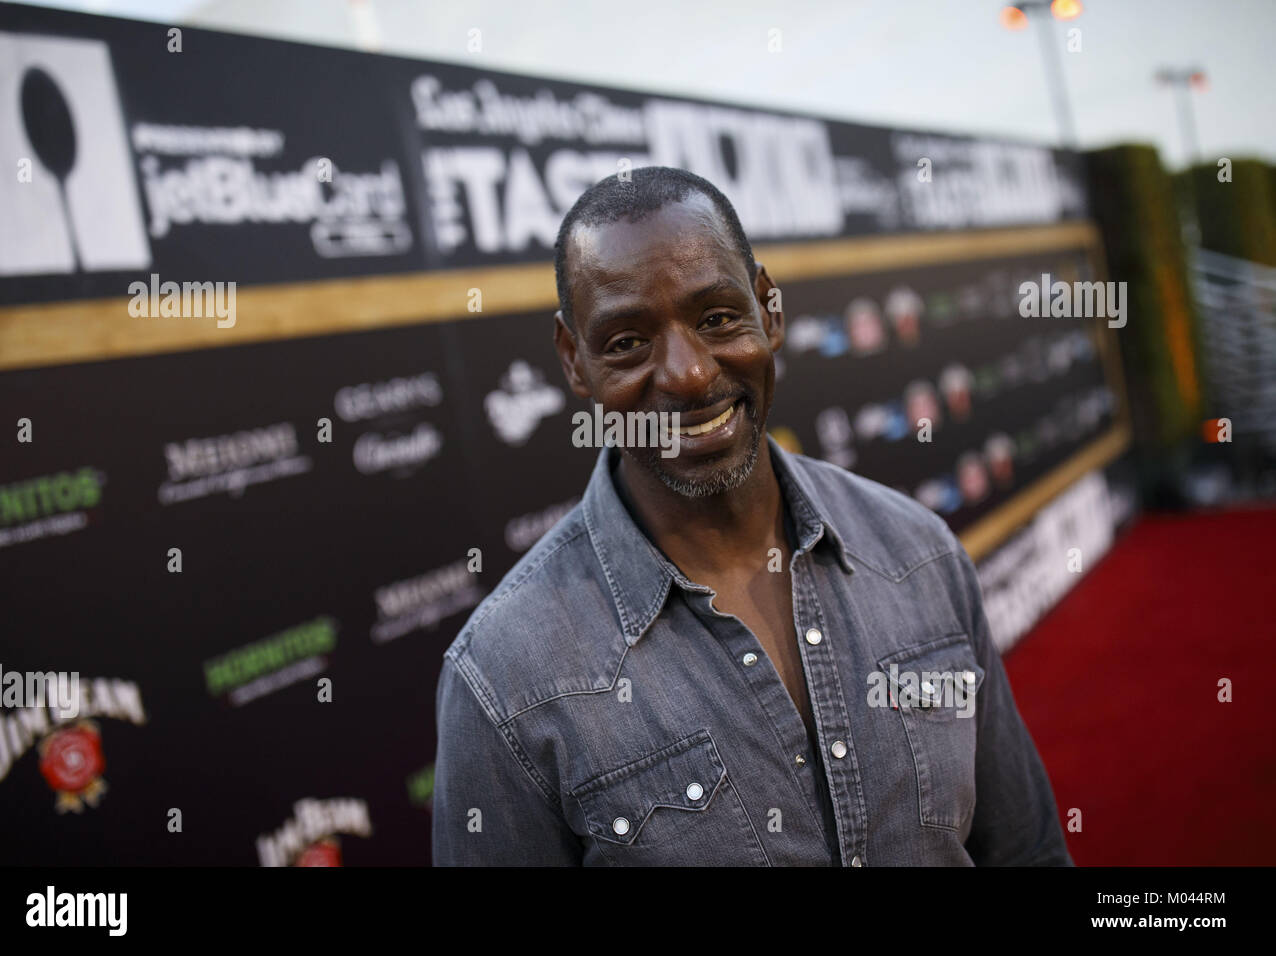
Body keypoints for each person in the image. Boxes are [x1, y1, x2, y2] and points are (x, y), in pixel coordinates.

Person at [431, 166, 1072, 866]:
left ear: (769, 310)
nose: (690, 375)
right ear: (573, 360)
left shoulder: (919, 553)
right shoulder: (503, 677)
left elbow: (1027, 851)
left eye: (716, 318)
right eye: (627, 342)